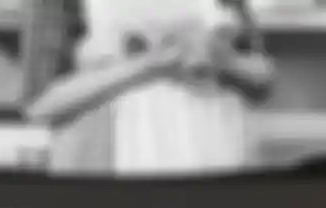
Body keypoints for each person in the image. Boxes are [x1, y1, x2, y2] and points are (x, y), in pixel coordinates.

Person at [25, 0, 276, 177]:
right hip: (109, 178)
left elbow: (262, 82)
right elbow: (42, 105)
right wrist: (149, 65)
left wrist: (222, 59)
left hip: (217, 162)